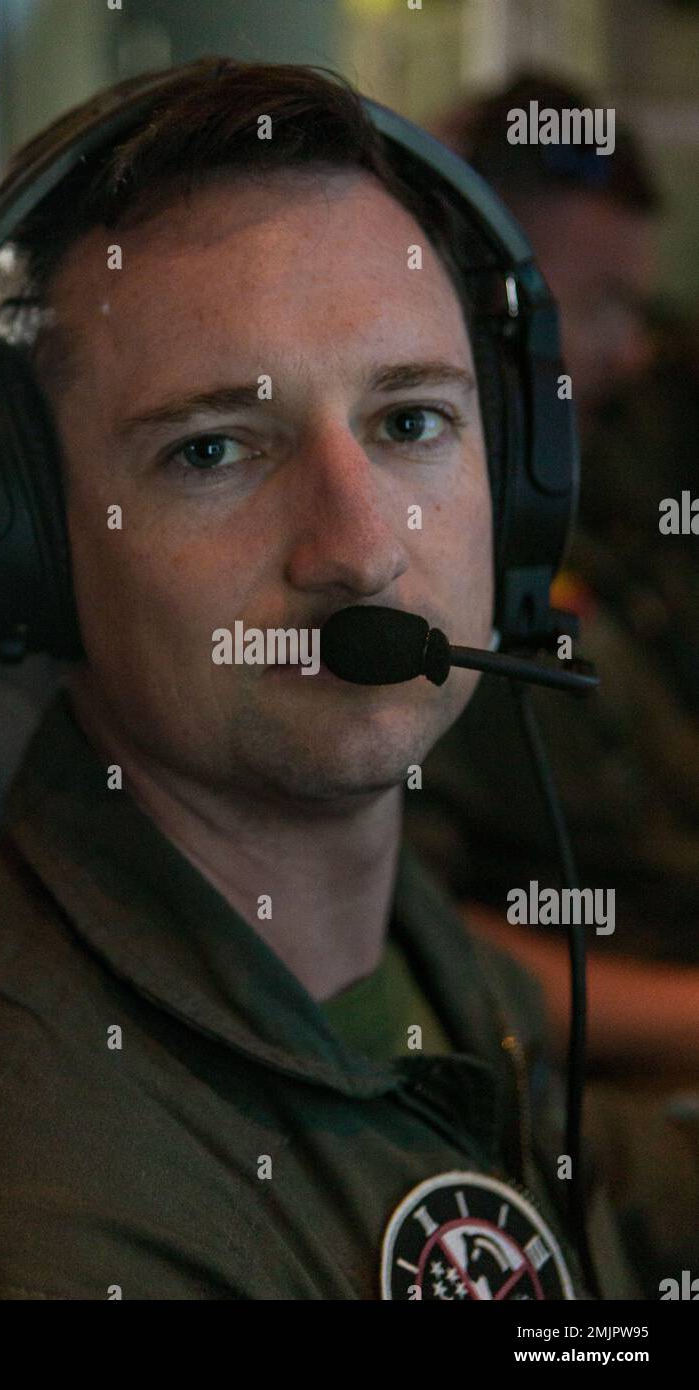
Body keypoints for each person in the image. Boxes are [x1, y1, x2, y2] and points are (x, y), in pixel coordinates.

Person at [0, 58, 696, 1302]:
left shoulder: (384, 938)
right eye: (215, 449)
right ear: (22, 543)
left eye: (408, 422)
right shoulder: (15, 1237)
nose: (355, 546)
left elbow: (569, 1186)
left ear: (515, 477)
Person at [411, 75, 699, 1084]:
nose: (628, 353)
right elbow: (404, 939)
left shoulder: (595, 498)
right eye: (597, 307)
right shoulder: (395, 598)